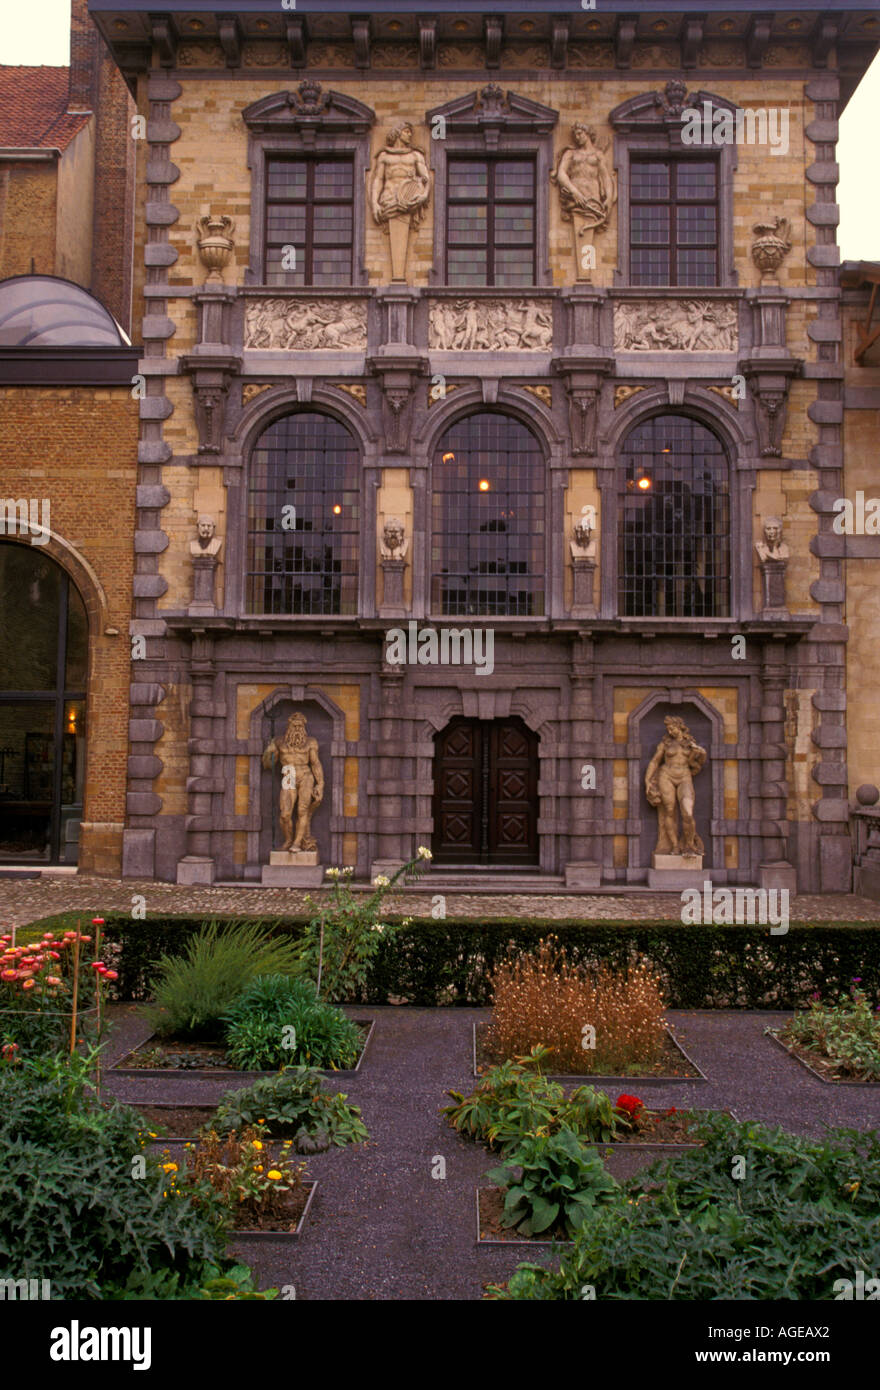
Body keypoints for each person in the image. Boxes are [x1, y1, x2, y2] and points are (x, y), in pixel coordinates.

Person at [261, 712, 324, 852]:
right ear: (289, 726)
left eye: (299, 726)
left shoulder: (311, 742)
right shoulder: (279, 742)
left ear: (304, 727)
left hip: (305, 775)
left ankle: (297, 843)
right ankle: (289, 840)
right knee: (285, 814)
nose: (297, 728)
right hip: (289, 773)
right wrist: (269, 753)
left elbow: (315, 764)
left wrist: (320, 784)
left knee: (303, 810)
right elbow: (267, 765)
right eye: (294, 725)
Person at [645, 715, 707, 856]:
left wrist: (701, 753)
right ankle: (674, 846)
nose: (671, 731)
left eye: (672, 728)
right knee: (669, 810)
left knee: (688, 812)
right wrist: (647, 781)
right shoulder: (665, 744)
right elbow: (654, 762)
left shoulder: (690, 743)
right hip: (666, 775)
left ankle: (690, 845)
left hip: (685, 776)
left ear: (680, 727)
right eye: (668, 729)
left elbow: (700, 762)